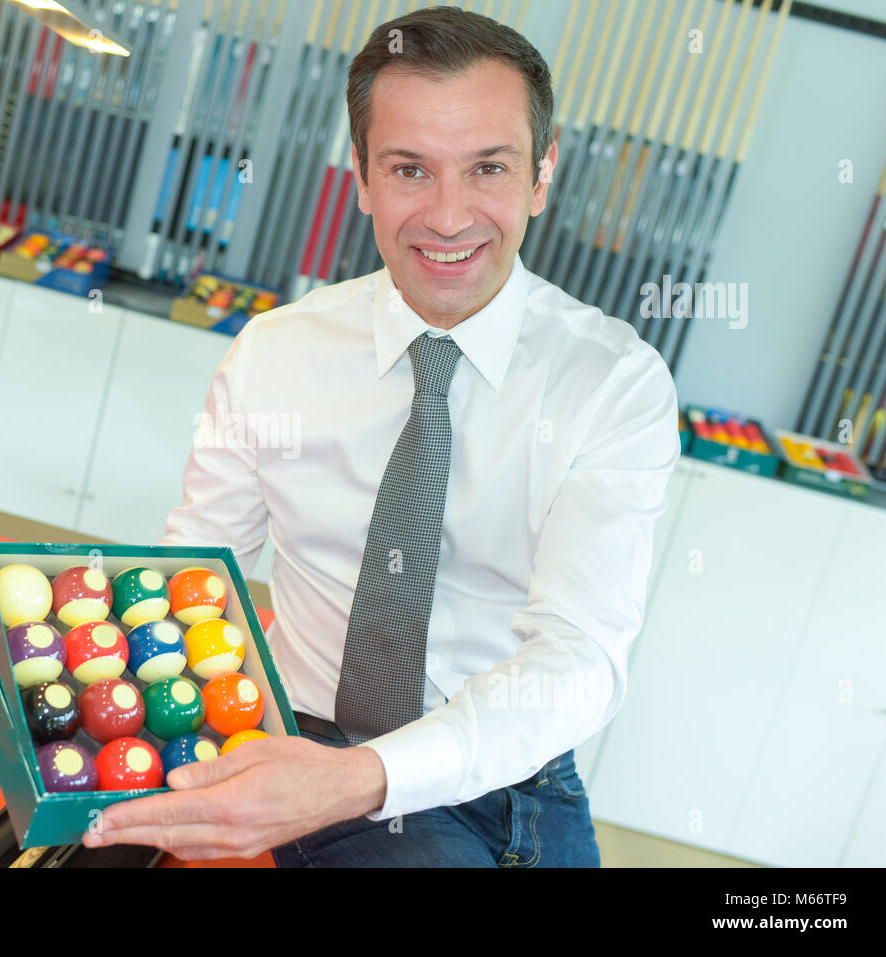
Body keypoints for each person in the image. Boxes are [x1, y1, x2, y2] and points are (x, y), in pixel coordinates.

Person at [80, 6, 680, 867]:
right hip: (308, 735)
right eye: (409, 169)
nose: (447, 216)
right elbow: (195, 571)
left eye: (489, 168)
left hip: (518, 768)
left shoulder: (614, 384)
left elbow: (580, 659)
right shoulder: (275, 354)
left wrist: (362, 776)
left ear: (543, 175)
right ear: (360, 175)